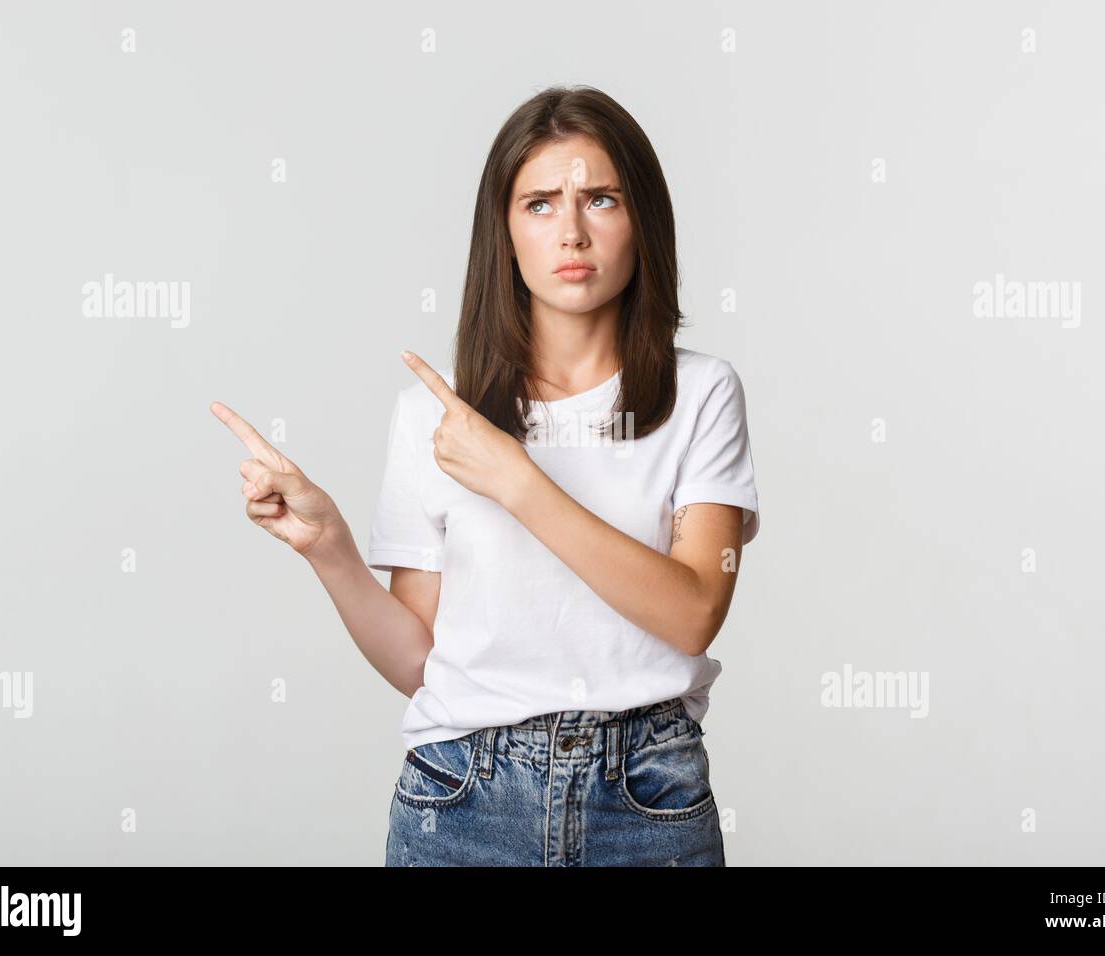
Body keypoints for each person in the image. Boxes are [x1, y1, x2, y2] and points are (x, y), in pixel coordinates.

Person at [211, 85, 759, 866]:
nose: (570, 230)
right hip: (465, 799)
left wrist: (519, 482)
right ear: (503, 231)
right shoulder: (434, 415)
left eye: (599, 198)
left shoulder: (701, 393)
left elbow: (694, 610)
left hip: (646, 797)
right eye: (539, 203)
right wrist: (327, 544)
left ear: (643, 221)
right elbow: (418, 663)